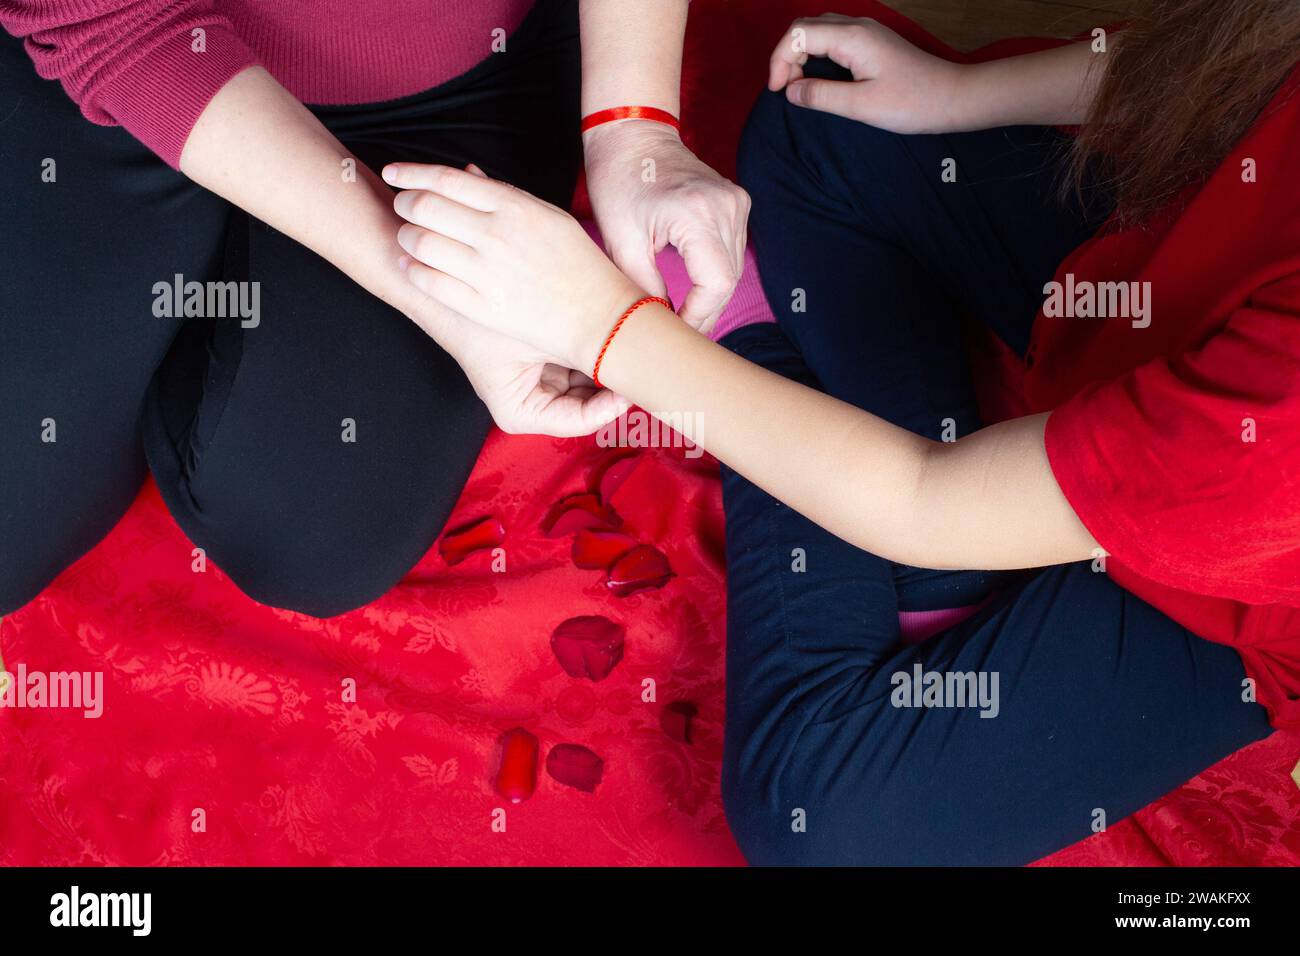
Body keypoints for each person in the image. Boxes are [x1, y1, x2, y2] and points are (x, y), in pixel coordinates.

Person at [385, 0, 1300, 864]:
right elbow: (1228, 67)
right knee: (818, 115)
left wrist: (610, 329)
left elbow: (925, 497)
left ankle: (760, 363)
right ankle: (948, 567)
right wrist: (957, 94)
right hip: (1167, 317)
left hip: (1217, 587)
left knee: (814, 819)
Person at [0, 0, 748, 620]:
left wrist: (633, 125)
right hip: (114, 66)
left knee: (318, 529)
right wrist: (419, 280)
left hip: (453, 82)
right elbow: (107, 19)